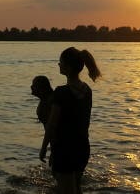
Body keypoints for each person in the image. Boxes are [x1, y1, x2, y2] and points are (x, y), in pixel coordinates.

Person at [40, 48, 101, 194]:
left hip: (65, 149)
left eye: (60, 62)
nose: (58, 65)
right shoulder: (87, 90)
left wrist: (44, 148)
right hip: (82, 147)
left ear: (67, 67)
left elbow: (52, 125)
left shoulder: (61, 92)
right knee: (77, 188)